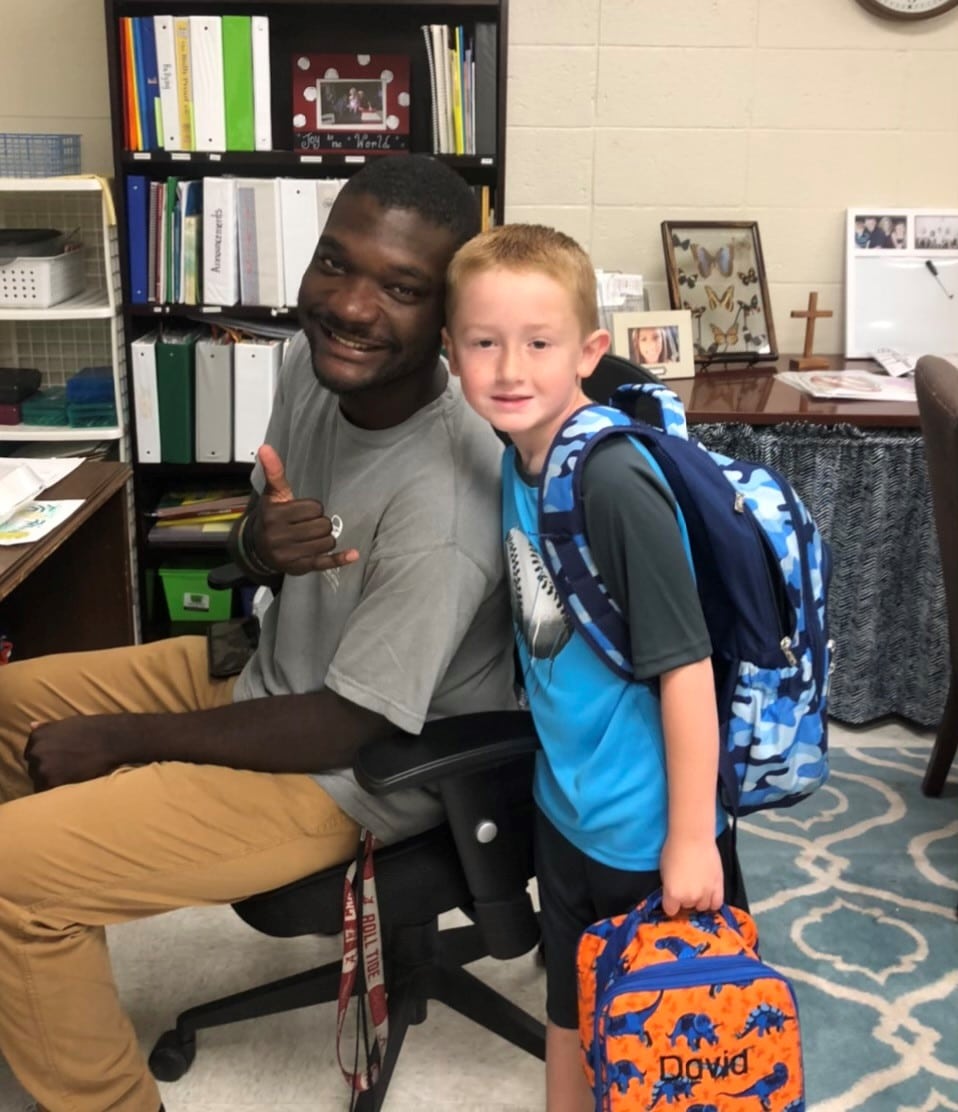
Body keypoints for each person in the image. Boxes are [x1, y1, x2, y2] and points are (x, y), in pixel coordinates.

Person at [0, 156, 516, 1112]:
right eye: (336, 264)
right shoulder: (309, 367)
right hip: (274, 677)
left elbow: (345, 729)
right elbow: (258, 530)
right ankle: (32, 989)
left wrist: (120, 742)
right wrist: (257, 543)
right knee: (7, 705)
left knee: (10, 875)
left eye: (400, 288)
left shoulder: (446, 496)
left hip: (361, 770)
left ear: (445, 318)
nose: (353, 306)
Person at [444, 223, 739, 1112]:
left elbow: (685, 669)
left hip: (651, 827)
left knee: (671, 1046)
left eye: (539, 344)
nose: (509, 369)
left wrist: (689, 838)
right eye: (484, 343)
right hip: (567, 805)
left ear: (589, 352)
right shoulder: (516, 453)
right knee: (571, 1011)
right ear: (453, 353)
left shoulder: (611, 483)